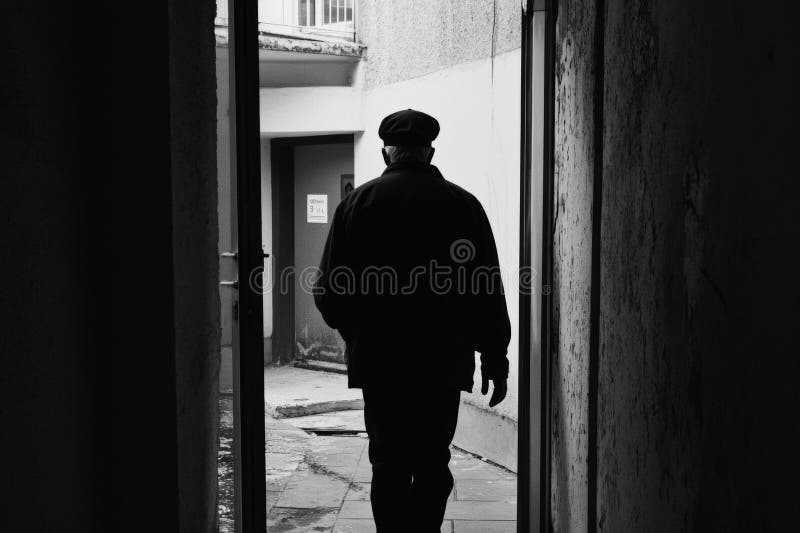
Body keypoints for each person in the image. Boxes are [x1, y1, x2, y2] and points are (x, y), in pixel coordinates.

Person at [314, 109, 511, 532]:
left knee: (387, 463)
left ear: (387, 153)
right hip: (441, 363)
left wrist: (359, 334)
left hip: (380, 363)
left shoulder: (356, 205)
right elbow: (486, 289)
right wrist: (495, 357)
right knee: (432, 462)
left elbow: (328, 292)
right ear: (430, 151)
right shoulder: (464, 206)